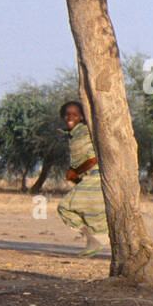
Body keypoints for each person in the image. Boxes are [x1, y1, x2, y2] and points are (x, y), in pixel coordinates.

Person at [56, 101, 107, 257]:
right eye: (67, 114)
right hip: (88, 178)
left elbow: (93, 159)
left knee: (65, 207)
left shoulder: (84, 133)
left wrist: (75, 172)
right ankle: (94, 240)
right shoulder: (74, 134)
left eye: (75, 115)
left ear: (82, 117)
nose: (70, 117)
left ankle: (92, 240)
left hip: (95, 177)